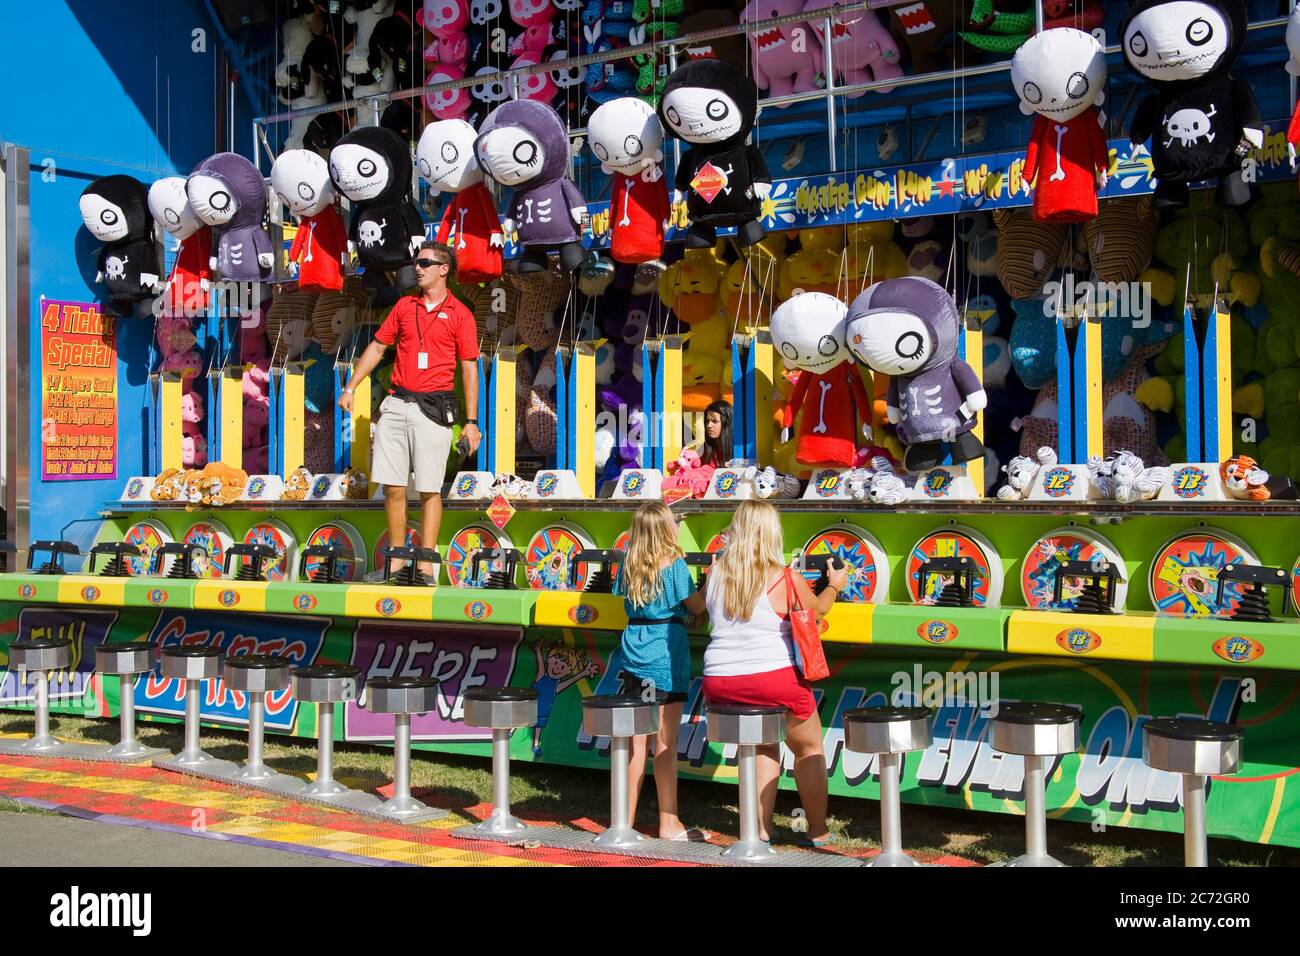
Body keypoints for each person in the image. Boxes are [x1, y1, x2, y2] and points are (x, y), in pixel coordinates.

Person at [700, 500, 848, 847]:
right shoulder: (785, 576)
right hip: (772, 678)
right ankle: (817, 830)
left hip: (719, 680)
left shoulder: (717, 572)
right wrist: (835, 583)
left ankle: (762, 830)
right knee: (808, 747)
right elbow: (819, 610)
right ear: (771, 533)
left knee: (764, 744)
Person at [339, 241, 481, 579]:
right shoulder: (404, 306)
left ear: (444, 269)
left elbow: (469, 368)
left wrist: (471, 422)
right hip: (396, 403)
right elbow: (377, 347)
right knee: (392, 486)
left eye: (425, 262)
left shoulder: (461, 313)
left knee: (431, 488)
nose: (417, 268)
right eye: (416, 262)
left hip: (433, 408)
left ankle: (427, 565)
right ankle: (397, 562)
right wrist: (351, 386)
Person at [613, 501, 709, 840]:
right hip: (665, 661)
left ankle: (623, 822)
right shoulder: (676, 566)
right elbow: (697, 607)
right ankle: (669, 823)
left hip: (632, 655)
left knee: (634, 746)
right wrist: (706, 587)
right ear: (668, 529)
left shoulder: (628, 563)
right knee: (664, 744)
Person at [696, 399, 733, 468]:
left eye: (714, 421)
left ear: (727, 423)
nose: (709, 425)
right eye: (707, 421)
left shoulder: (737, 450)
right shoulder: (703, 450)